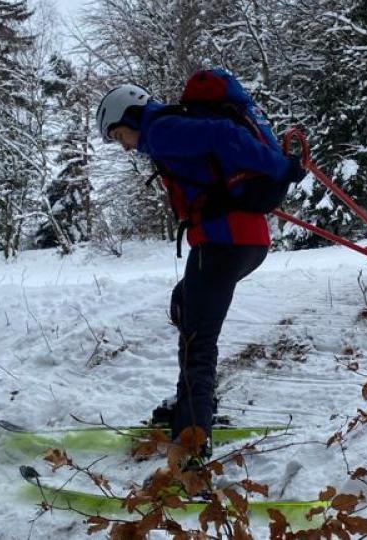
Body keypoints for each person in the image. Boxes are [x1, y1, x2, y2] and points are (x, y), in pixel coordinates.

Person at [95, 80, 304, 458]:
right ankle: (193, 408)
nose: (124, 145)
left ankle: (191, 443)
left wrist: (279, 168)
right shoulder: (168, 128)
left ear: (130, 115)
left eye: (120, 134)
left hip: (224, 241)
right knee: (185, 306)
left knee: (198, 342)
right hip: (243, 242)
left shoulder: (161, 129)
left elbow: (221, 134)